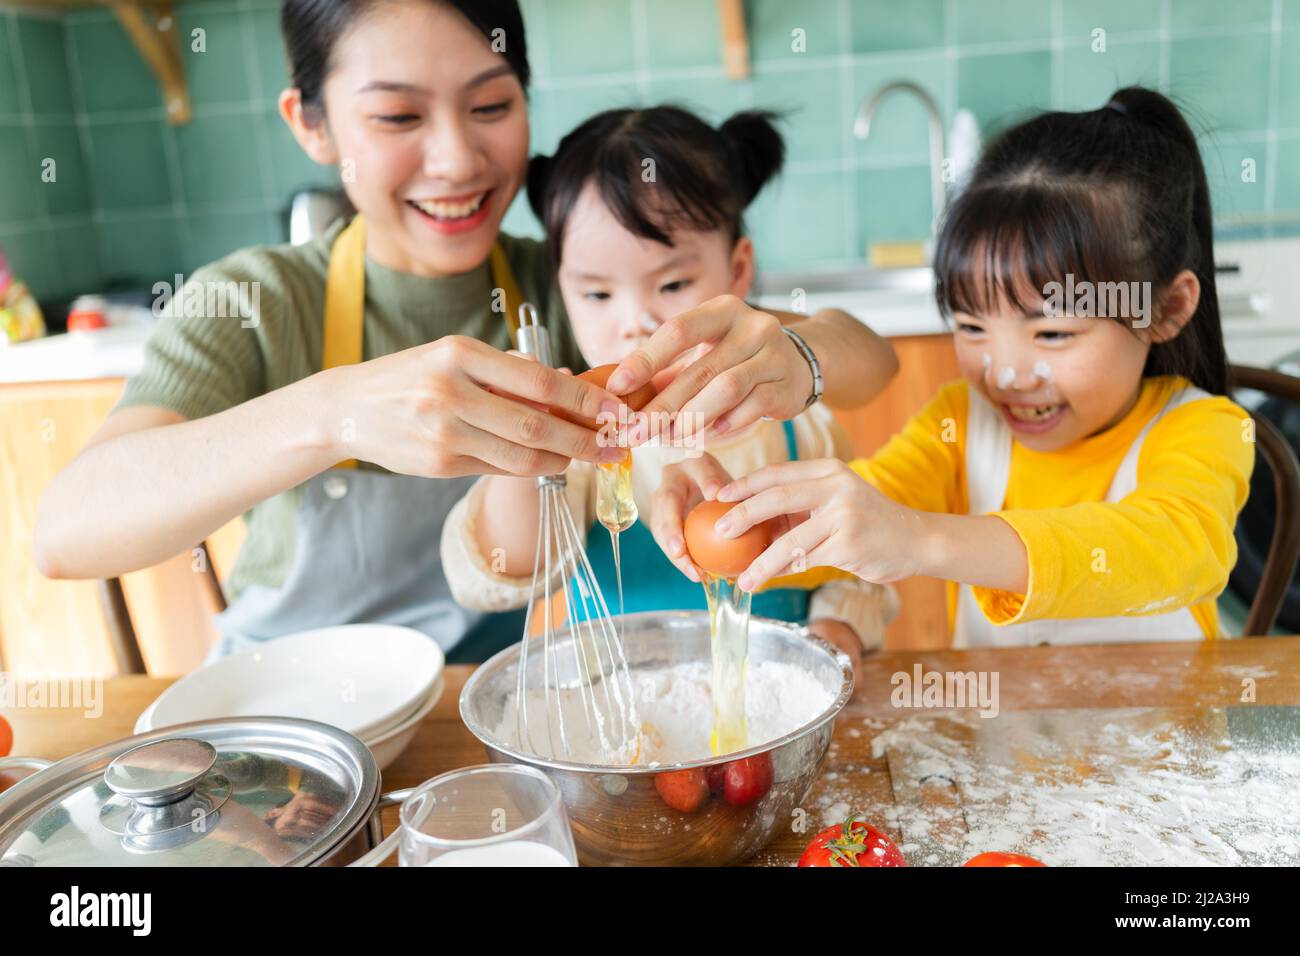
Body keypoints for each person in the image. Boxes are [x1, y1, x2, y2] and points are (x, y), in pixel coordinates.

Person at [32, 0, 895, 662]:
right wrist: (334, 414)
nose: (456, 160)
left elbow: (860, 355)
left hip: (487, 702)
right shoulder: (256, 300)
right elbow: (69, 530)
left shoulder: (575, 290)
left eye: (490, 106)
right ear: (313, 124)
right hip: (297, 714)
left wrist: (799, 359)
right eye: (399, 118)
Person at [653, 87, 1255, 646]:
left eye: (1052, 332)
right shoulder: (959, 424)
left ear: (1167, 308)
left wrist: (921, 538)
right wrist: (730, 522)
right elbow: (858, 513)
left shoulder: (1204, 430)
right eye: (972, 327)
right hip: (1003, 745)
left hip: (1166, 743)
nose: (1007, 373)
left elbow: (1169, 550)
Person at [441, 106, 899, 670]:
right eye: (597, 296)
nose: (634, 323)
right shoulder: (582, 444)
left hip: (776, 700)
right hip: (622, 715)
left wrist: (838, 628)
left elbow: (851, 565)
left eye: (674, 283)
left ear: (737, 272)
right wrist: (528, 452)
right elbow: (503, 568)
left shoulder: (796, 418)